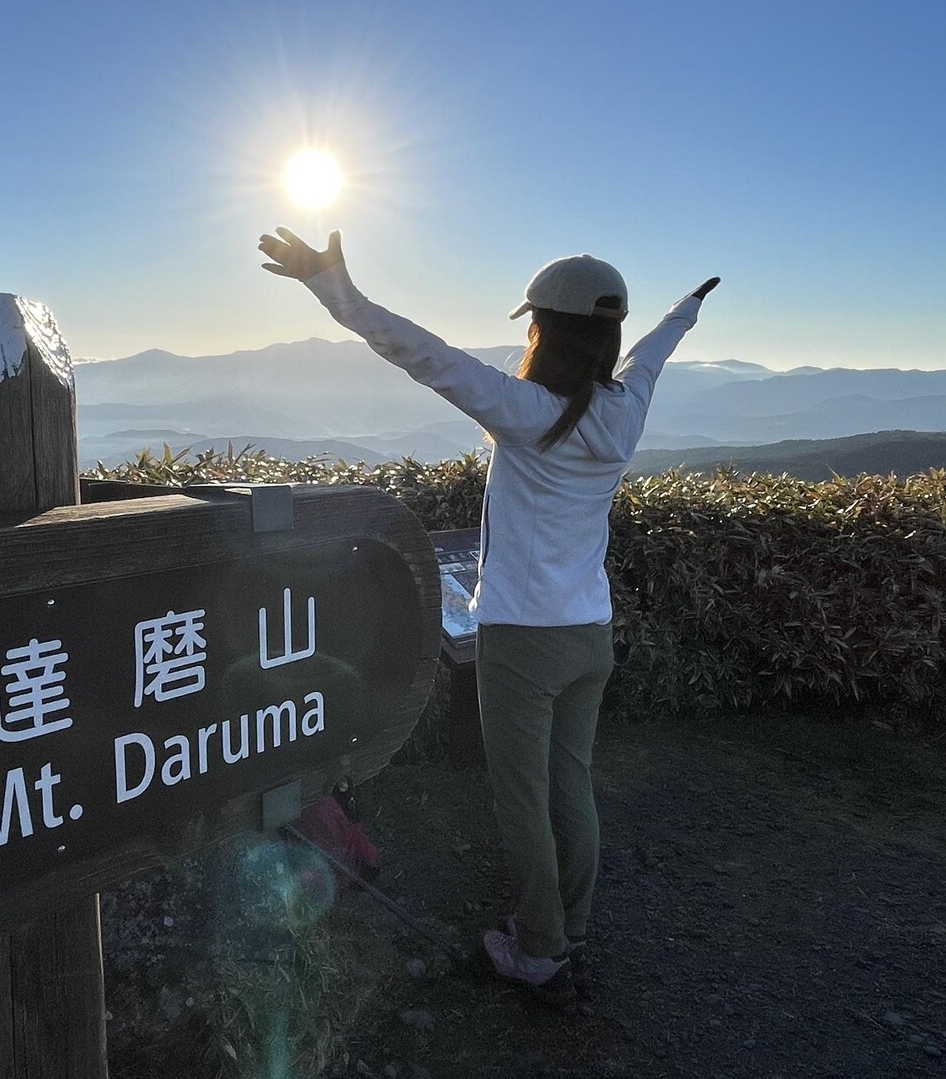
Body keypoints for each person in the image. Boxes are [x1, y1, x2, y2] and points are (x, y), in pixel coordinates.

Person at [257, 226, 719, 1005]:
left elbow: (424, 354)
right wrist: (683, 310)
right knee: (569, 783)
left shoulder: (526, 410)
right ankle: (567, 926)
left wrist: (333, 288)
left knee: (520, 797)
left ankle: (536, 949)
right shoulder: (625, 405)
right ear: (603, 338)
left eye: (532, 324)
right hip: (588, 634)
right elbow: (654, 349)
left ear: (545, 333)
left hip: (521, 641)